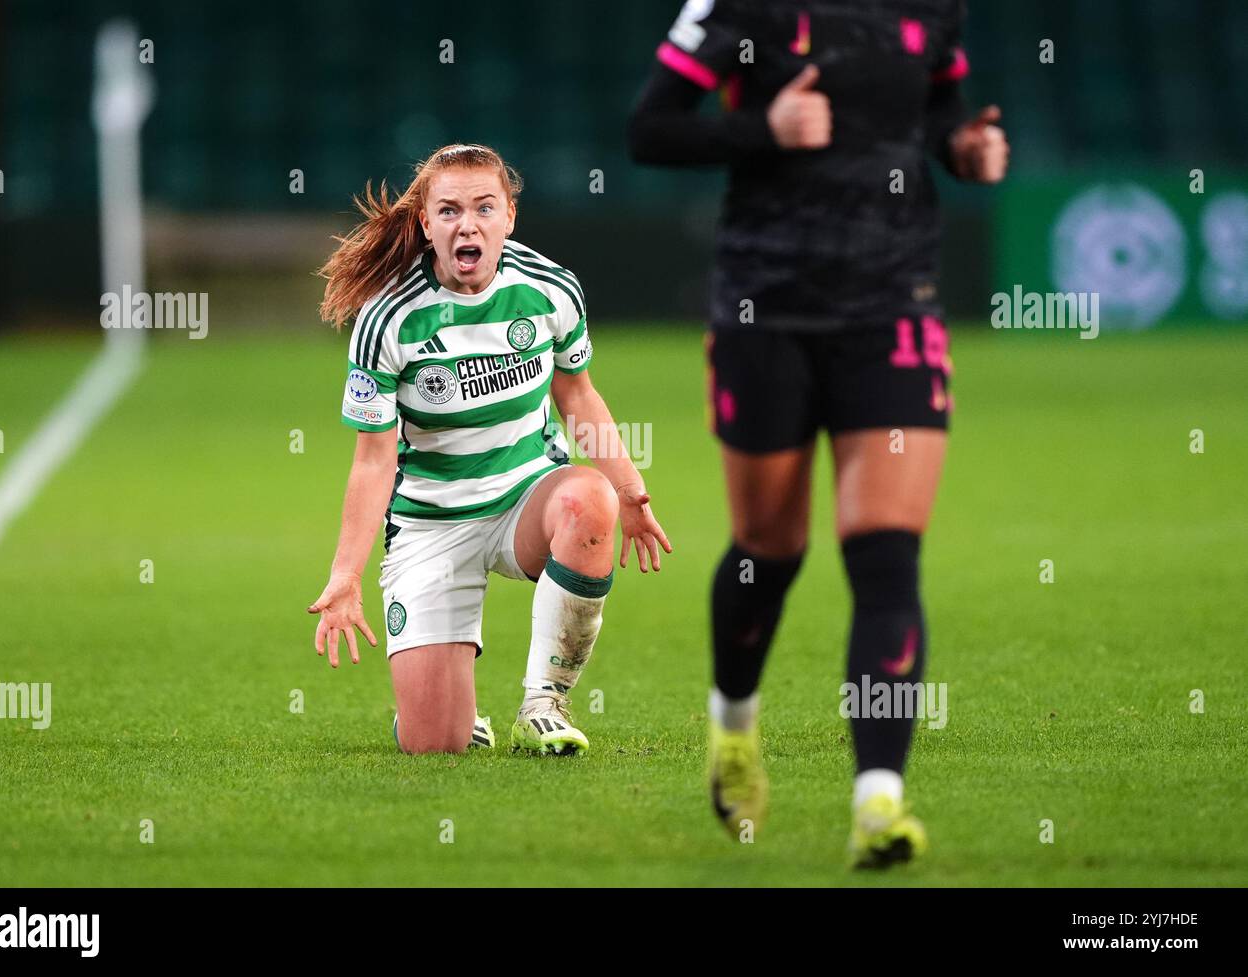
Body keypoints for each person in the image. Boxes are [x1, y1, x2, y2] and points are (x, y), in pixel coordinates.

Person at [628, 0, 1007, 866]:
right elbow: (649, 130)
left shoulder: (932, 11)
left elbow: (939, 110)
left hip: (893, 307)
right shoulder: (735, 9)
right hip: (768, 310)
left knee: (884, 554)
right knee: (771, 548)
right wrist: (765, 127)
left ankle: (879, 803)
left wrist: (963, 149)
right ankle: (733, 719)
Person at [308, 144, 672, 756]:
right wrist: (345, 577)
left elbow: (577, 397)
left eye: (484, 207)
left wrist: (631, 493)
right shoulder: (388, 318)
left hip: (525, 496)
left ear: (509, 216)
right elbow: (373, 460)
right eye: (448, 210)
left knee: (591, 497)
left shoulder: (551, 289)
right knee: (438, 745)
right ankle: (435, 711)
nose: (467, 224)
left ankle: (544, 703)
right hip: (431, 524)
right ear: (426, 223)